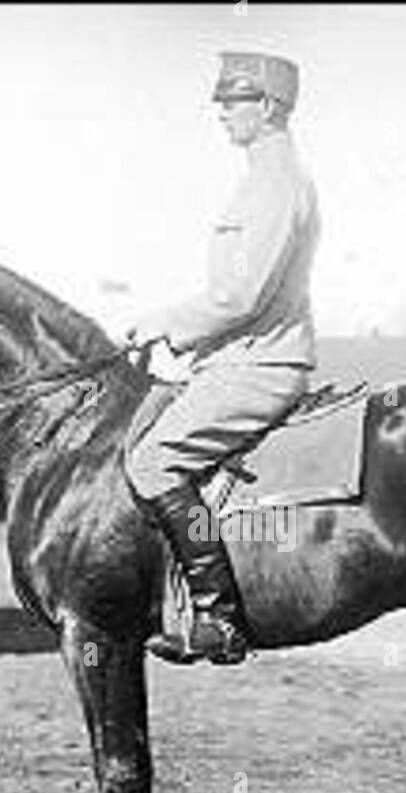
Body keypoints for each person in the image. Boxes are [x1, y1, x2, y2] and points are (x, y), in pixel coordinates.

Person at [124, 51, 321, 665]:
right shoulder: (261, 179)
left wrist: (165, 323)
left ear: (266, 107)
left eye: (231, 101)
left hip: (260, 365)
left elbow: (241, 295)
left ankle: (220, 617)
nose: (221, 113)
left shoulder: (276, 184)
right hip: (235, 358)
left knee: (153, 463)